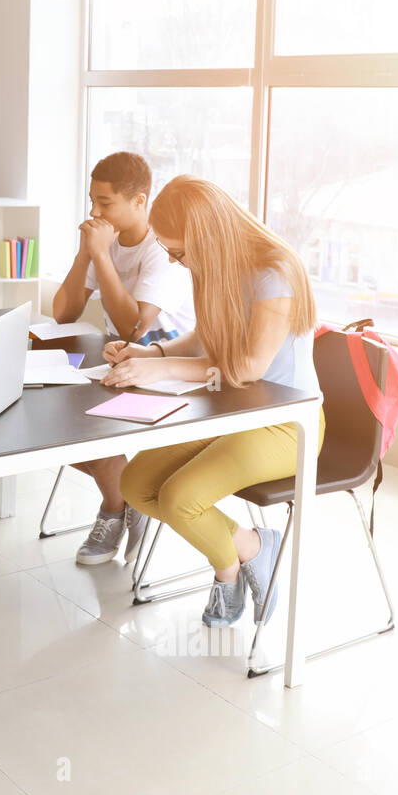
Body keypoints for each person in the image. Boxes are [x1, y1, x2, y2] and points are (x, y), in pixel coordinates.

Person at [105, 175, 324, 628]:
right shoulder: (216, 269)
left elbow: (247, 368)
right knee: (136, 483)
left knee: (181, 498)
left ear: (208, 237)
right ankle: (248, 549)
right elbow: (207, 337)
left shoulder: (275, 270)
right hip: (230, 413)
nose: (172, 259)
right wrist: (152, 353)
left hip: (286, 425)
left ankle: (233, 567)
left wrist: (161, 370)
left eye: (179, 251)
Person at [50, 152, 196, 566]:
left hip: (171, 369)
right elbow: (64, 312)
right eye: (91, 201)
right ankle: (122, 500)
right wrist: (86, 253)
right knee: (48, 425)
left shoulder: (161, 248)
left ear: (139, 201)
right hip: (124, 362)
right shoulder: (106, 241)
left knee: (86, 432)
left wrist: (101, 255)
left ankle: (115, 509)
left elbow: (134, 326)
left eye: (105, 203)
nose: (94, 213)